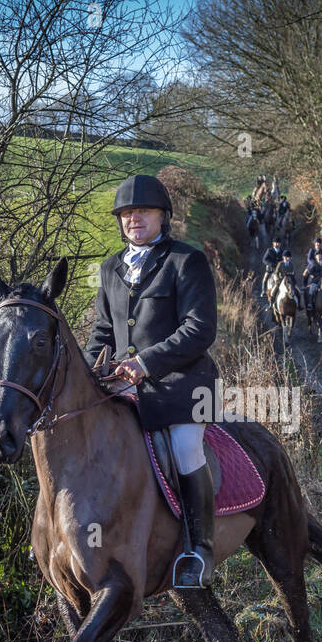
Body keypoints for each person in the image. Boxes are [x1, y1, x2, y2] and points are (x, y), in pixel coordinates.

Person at [82, 173, 219, 588]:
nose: (133, 219)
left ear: (163, 216)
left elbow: (200, 329)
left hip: (184, 387)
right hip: (126, 387)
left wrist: (146, 361)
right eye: (126, 213)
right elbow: (102, 333)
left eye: (142, 211)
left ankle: (200, 550)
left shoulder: (186, 261)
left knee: (184, 447)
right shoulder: (109, 268)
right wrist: (88, 373)